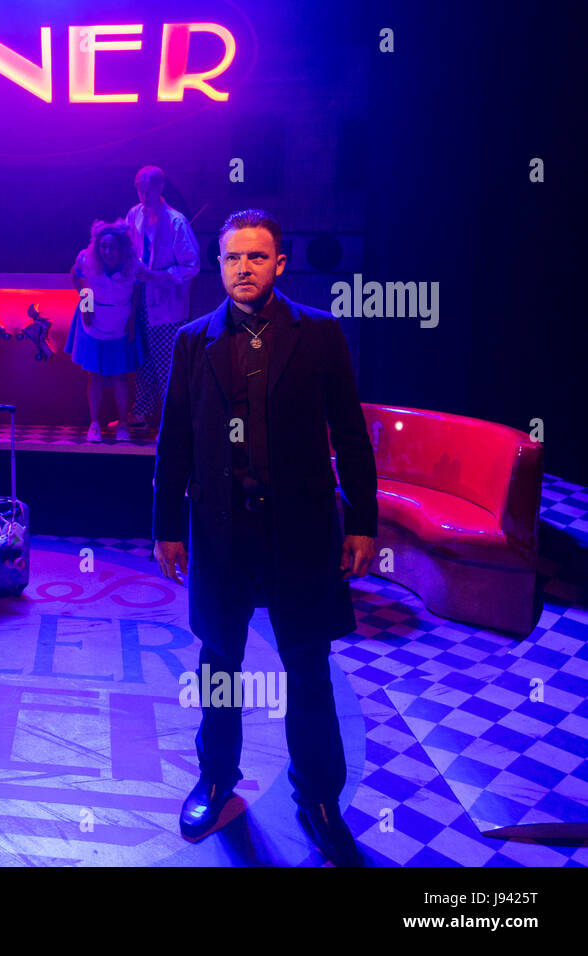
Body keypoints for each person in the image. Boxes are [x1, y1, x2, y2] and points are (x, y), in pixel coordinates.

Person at [152, 210, 377, 866]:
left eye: (256, 257)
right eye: (231, 258)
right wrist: (167, 528)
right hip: (222, 535)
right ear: (219, 264)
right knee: (220, 664)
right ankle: (217, 778)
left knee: (307, 667)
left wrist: (362, 519)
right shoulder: (193, 341)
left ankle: (320, 797)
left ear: (280, 264)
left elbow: (351, 433)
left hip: (302, 532)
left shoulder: (321, 334)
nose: (243, 269)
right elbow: (174, 444)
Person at [121, 165, 200, 433]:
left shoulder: (176, 222)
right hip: (140, 299)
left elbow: (192, 265)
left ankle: (174, 423)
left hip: (167, 306)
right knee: (142, 359)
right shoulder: (134, 214)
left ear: (159, 187)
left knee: (168, 365)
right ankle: (141, 413)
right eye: (139, 188)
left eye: (147, 188)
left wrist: (157, 275)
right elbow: (130, 249)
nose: (143, 194)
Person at [65, 219, 145, 442]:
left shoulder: (134, 265)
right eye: (103, 247)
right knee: (96, 374)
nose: (107, 251)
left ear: (122, 248)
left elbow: (138, 290)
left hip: (120, 321)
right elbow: (76, 276)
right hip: (95, 322)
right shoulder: (86, 260)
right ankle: (94, 425)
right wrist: (86, 305)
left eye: (112, 247)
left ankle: (123, 425)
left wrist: (132, 320)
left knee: (121, 375)